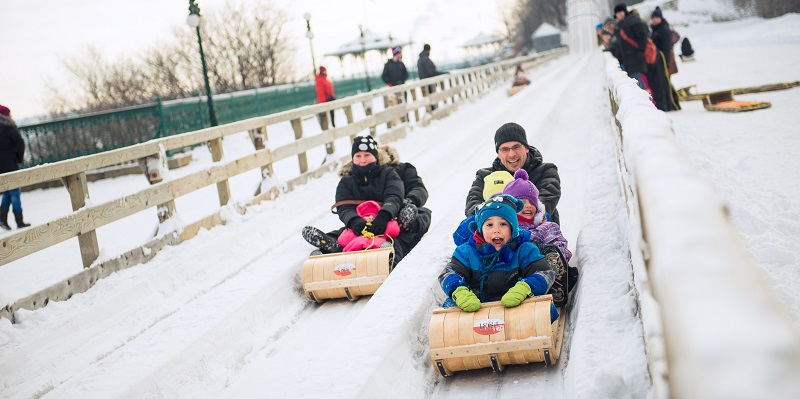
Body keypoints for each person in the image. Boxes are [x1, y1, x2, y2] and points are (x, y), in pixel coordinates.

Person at [302, 136, 431, 266]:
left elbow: (399, 194)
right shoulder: (348, 180)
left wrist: (401, 206)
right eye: (358, 156)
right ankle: (331, 246)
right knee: (348, 233)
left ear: (377, 156)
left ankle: (396, 245)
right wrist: (354, 220)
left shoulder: (393, 172)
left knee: (414, 221)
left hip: (393, 214)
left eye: (367, 155)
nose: (363, 160)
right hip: (365, 217)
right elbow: (344, 206)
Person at [438, 194, 559, 322]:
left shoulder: (524, 249)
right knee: (449, 309)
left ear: (513, 228)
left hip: (516, 305)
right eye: (489, 225)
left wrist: (525, 289)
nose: (496, 230)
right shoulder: (467, 252)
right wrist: (459, 291)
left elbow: (544, 272)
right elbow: (449, 273)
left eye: (503, 224)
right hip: (477, 308)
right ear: (480, 229)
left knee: (546, 310)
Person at [502, 169, 577, 307]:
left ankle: (554, 287)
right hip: (512, 272)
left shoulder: (546, 227)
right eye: (522, 202)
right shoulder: (503, 228)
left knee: (549, 252)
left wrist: (554, 255)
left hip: (539, 269)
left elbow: (559, 244)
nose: (528, 206)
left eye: (532, 202)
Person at [465, 122, 561, 224]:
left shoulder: (546, 171)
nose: (511, 154)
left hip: (539, 231)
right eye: (505, 149)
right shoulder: (485, 176)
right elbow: (473, 204)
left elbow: (547, 199)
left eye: (516, 147)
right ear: (498, 154)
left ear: (526, 148)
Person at [0, 105, 30, 230]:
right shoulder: (8, 126)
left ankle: (2, 218)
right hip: (10, 165)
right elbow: (20, 143)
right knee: (15, 192)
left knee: (8, 191)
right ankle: (19, 221)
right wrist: (19, 158)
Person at [612, 3, 650, 91]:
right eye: (617, 13)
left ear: (625, 12)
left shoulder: (633, 22)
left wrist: (641, 51)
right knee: (636, 83)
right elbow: (619, 45)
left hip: (636, 58)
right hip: (627, 62)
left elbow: (642, 37)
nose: (620, 14)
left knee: (638, 83)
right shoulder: (618, 27)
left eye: (621, 12)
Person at [650, 7, 677, 76]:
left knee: (665, 78)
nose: (655, 20)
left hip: (663, 59)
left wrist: (665, 61)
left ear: (661, 18)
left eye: (657, 18)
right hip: (658, 58)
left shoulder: (664, 29)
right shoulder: (655, 29)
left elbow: (667, 46)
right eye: (653, 18)